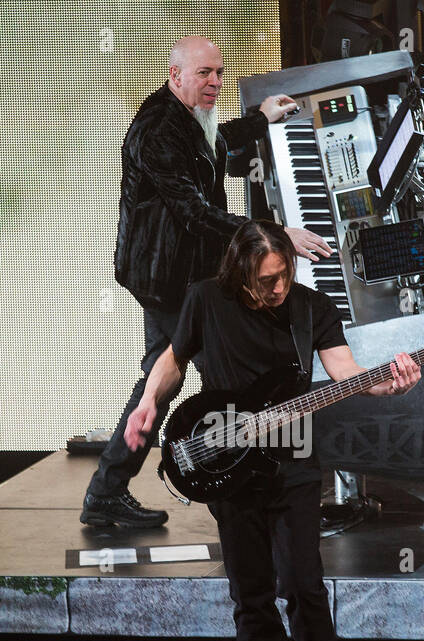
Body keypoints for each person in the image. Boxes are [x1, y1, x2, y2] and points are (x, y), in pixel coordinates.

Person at [125, 220, 421, 641]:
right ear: (240, 274)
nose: (277, 288)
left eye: (283, 275)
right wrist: (149, 403)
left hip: (294, 463)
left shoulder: (311, 309)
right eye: (266, 281)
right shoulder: (206, 300)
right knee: (251, 592)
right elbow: (173, 359)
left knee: (303, 584)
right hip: (228, 462)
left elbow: (348, 371)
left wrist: (394, 381)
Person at [81, 35, 333, 528]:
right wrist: (277, 234)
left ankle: (110, 490)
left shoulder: (190, 115)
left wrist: (262, 117)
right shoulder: (156, 131)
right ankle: (239, 485)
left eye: (219, 73)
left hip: (185, 272)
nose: (215, 82)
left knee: (163, 376)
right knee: (202, 371)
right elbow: (195, 213)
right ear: (176, 76)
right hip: (165, 277)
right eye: (205, 74)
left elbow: (216, 141)